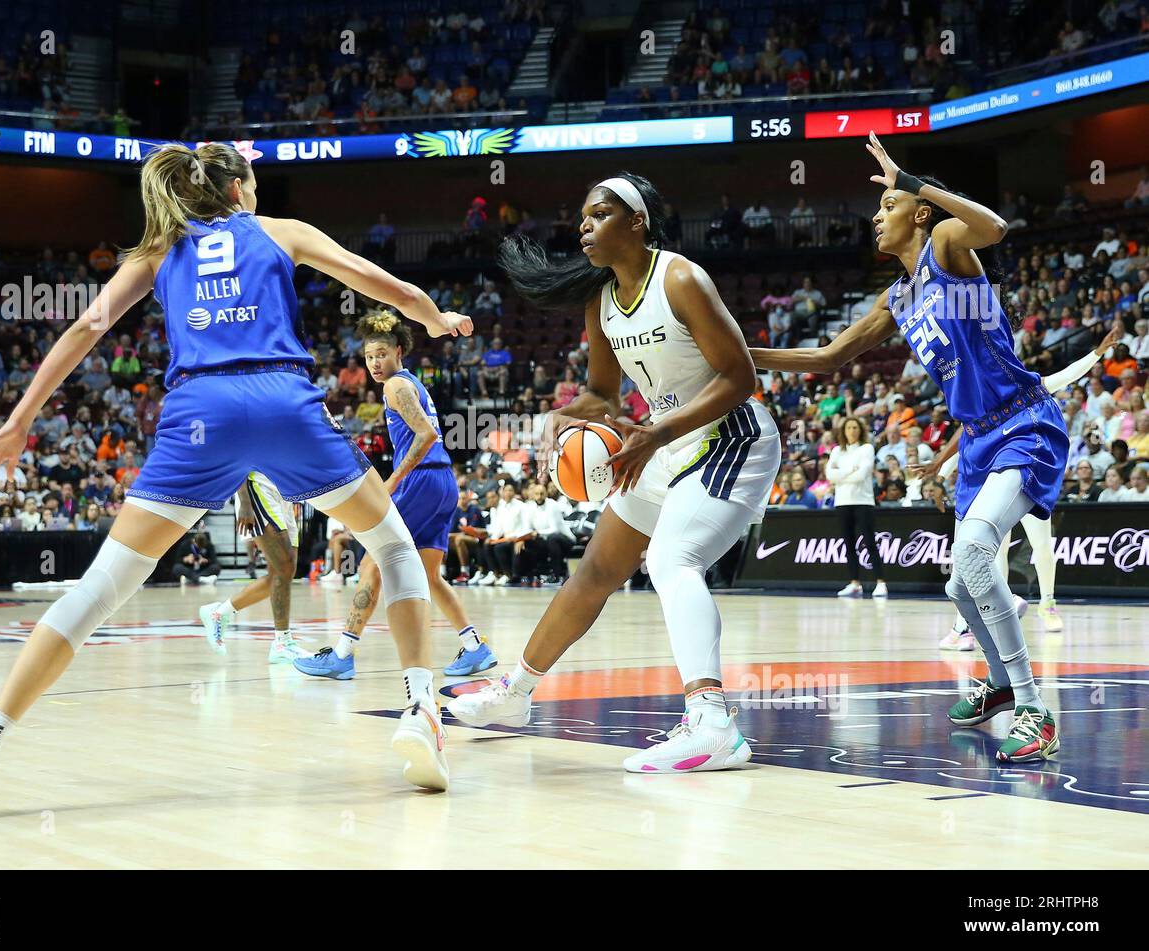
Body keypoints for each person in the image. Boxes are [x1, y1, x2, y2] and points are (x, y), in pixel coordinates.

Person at [0, 142, 471, 811]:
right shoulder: (279, 231)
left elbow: (90, 324)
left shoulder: (158, 250)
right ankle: (421, 714)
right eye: (254, 180)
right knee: (396, 551)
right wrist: (432, 316)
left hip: (199, 414)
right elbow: (390, 287)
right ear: (237, 189)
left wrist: (21, 420)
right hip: (281, 403)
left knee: (99, 590)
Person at [747, 134, 1067, 763]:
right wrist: (737, 355)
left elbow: (995, 227)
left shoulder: (947, 246)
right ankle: (1000, 687)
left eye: (885, 206)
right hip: (977, 439)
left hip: (1024, 422)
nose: (876, 216)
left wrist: (910, 179)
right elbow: (829, 357)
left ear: (917, 212)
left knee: (976, 552)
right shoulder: (896, 297)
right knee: (959, 586)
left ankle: (1033, 705)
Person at [450, 172, 782, 775]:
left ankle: (713, 724)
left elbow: (740, 379)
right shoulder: (599, 300)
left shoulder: (679, 278)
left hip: (732, 436)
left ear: (638, 223)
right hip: (663, 442)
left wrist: (656, 432)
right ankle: (515, 696)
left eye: (600, 214)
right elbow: (603, 393)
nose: (585, 225)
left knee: (671, 561)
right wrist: (564, 413)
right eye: (582, 217)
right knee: (596, 570)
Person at [294, 309, 496, 680]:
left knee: (373, 562)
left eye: (382, 354)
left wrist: (393, 480)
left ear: (399, 351)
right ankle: (475, 647)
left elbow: (427, 435)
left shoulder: (395, 386)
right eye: (369, 356)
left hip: (419, 480)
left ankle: (342, 654)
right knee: (431, 576)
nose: (374, 362)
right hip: (442, 483)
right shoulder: (410, 384)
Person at [928, 324, 1123, 644]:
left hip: (1028, 468)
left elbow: (1064, 377)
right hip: (997, 474)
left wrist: (1097, 353)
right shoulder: (982, 400)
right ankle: (993, 613)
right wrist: (942, 470)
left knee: (1041, 543)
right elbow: (969, 437)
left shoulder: (1025, 387)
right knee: (994, 550)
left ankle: (1048, 604)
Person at [197, 472, 312, 664]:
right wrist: (244, 500)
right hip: (258, 486)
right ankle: (282, 643)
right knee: (282, 569)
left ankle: (219, 613)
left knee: (283, 573)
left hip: (284, 489)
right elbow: (238, 454)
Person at [827, 416, 887, 598]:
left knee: (869, 543)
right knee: (849, 545)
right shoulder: (837, 451)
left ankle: (881, 583)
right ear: (843, 431)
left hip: (863, 501)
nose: (852, 431)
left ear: (860, 430)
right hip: (842, 502)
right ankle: (854, 584)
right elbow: (829, 475)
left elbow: (861, 475)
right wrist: (850, 470)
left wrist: (842, 475)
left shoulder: (867, 448)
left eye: (855, 427)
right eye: (848, 428)